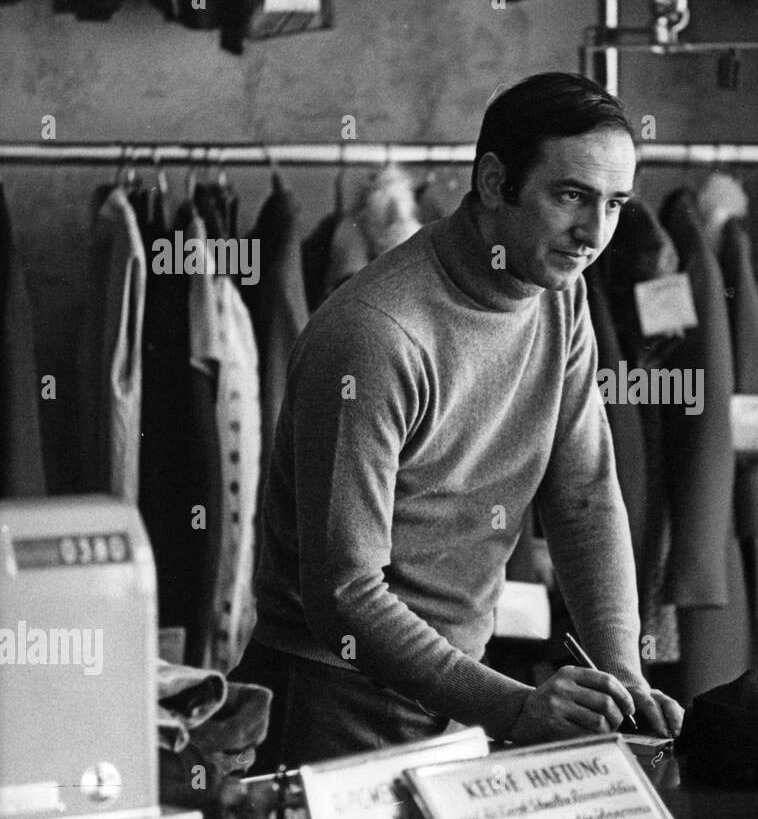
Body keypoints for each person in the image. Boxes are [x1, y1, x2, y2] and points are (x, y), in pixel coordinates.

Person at [233, 73, 683, 766]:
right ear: (496, 181)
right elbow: (346, 594)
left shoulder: (557, 293)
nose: (595, 233)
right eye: (571, 196)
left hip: (450, 695)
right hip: (328, 701)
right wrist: (515, 707)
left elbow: (585, 496)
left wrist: (621, 672)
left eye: (615, 204)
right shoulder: (376, 335)